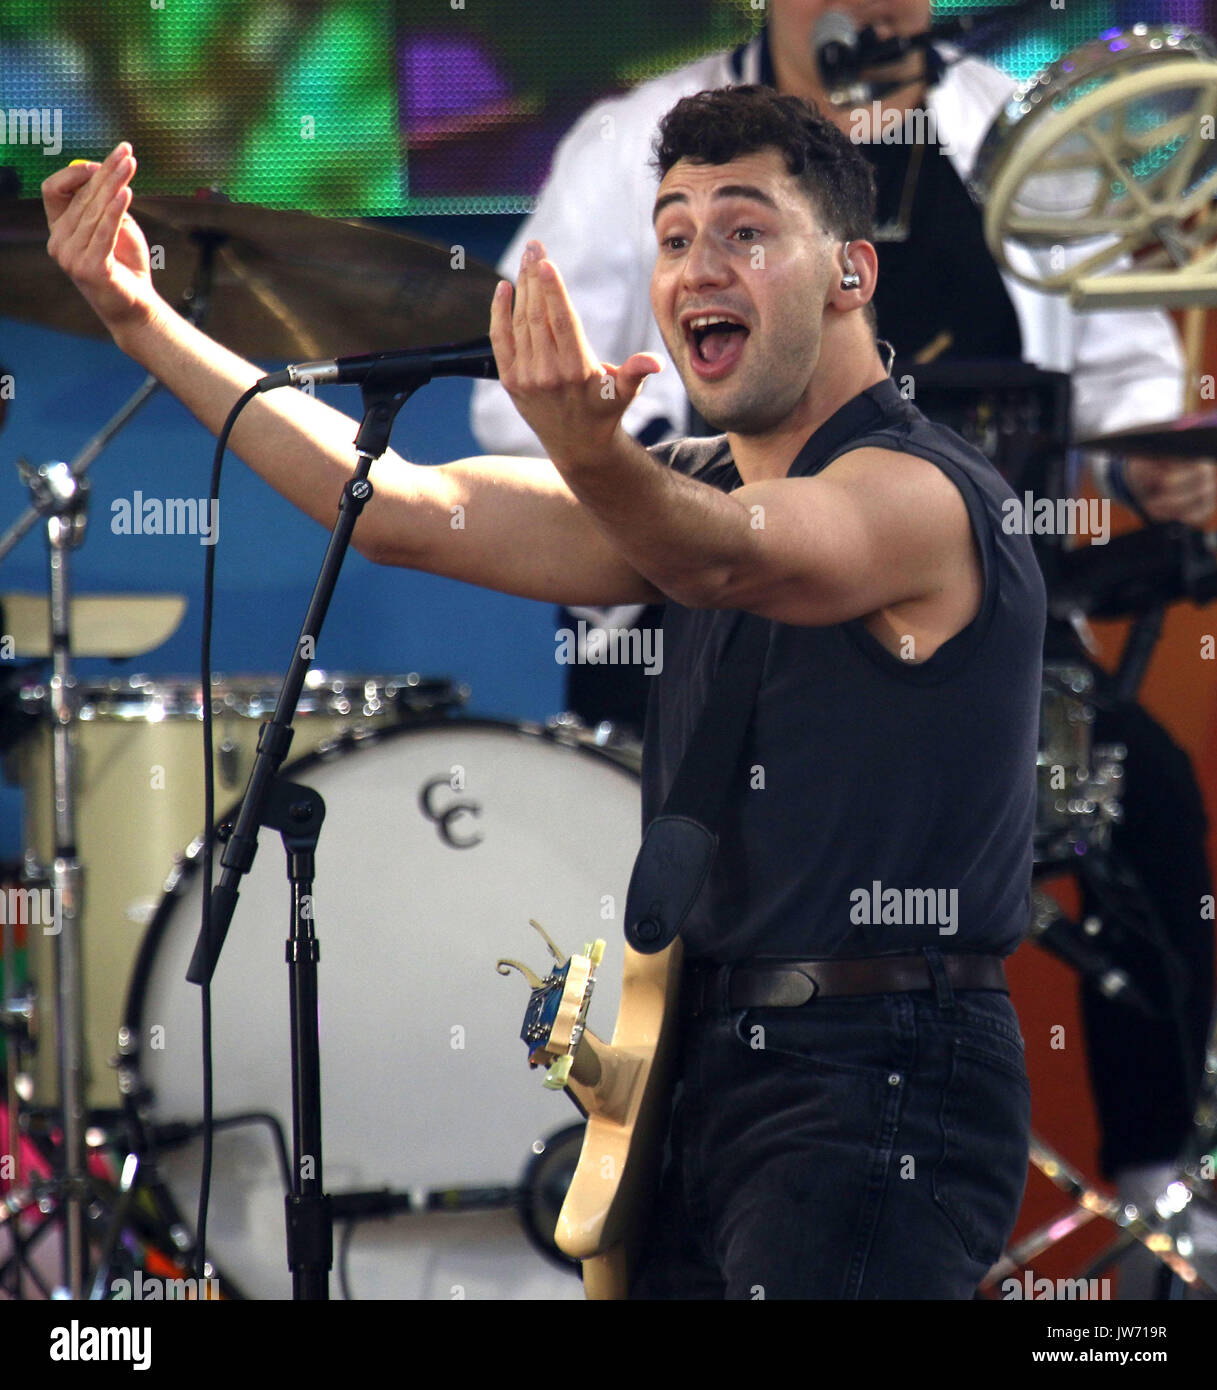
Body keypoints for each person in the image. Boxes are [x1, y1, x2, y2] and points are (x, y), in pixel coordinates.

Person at [43, 84, 1044, 1298]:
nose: (695, 266)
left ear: (849, 274)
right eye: (671, 237)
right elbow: (403, 512)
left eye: (744, 231)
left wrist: (583, 448)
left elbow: (727, 551)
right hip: (704, 1070)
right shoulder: (678, 486)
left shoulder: (925, 494)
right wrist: (139, 317)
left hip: (878, 1075)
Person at [471, 0, 1217, 1278]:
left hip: (946, 622)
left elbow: (1123, 379)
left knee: (1145, 790)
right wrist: (665, 486)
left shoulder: (1004, 128)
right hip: (694, 606)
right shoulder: (626, 147)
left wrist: (1159, 459)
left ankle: (1162, 1182)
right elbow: (509, 407)